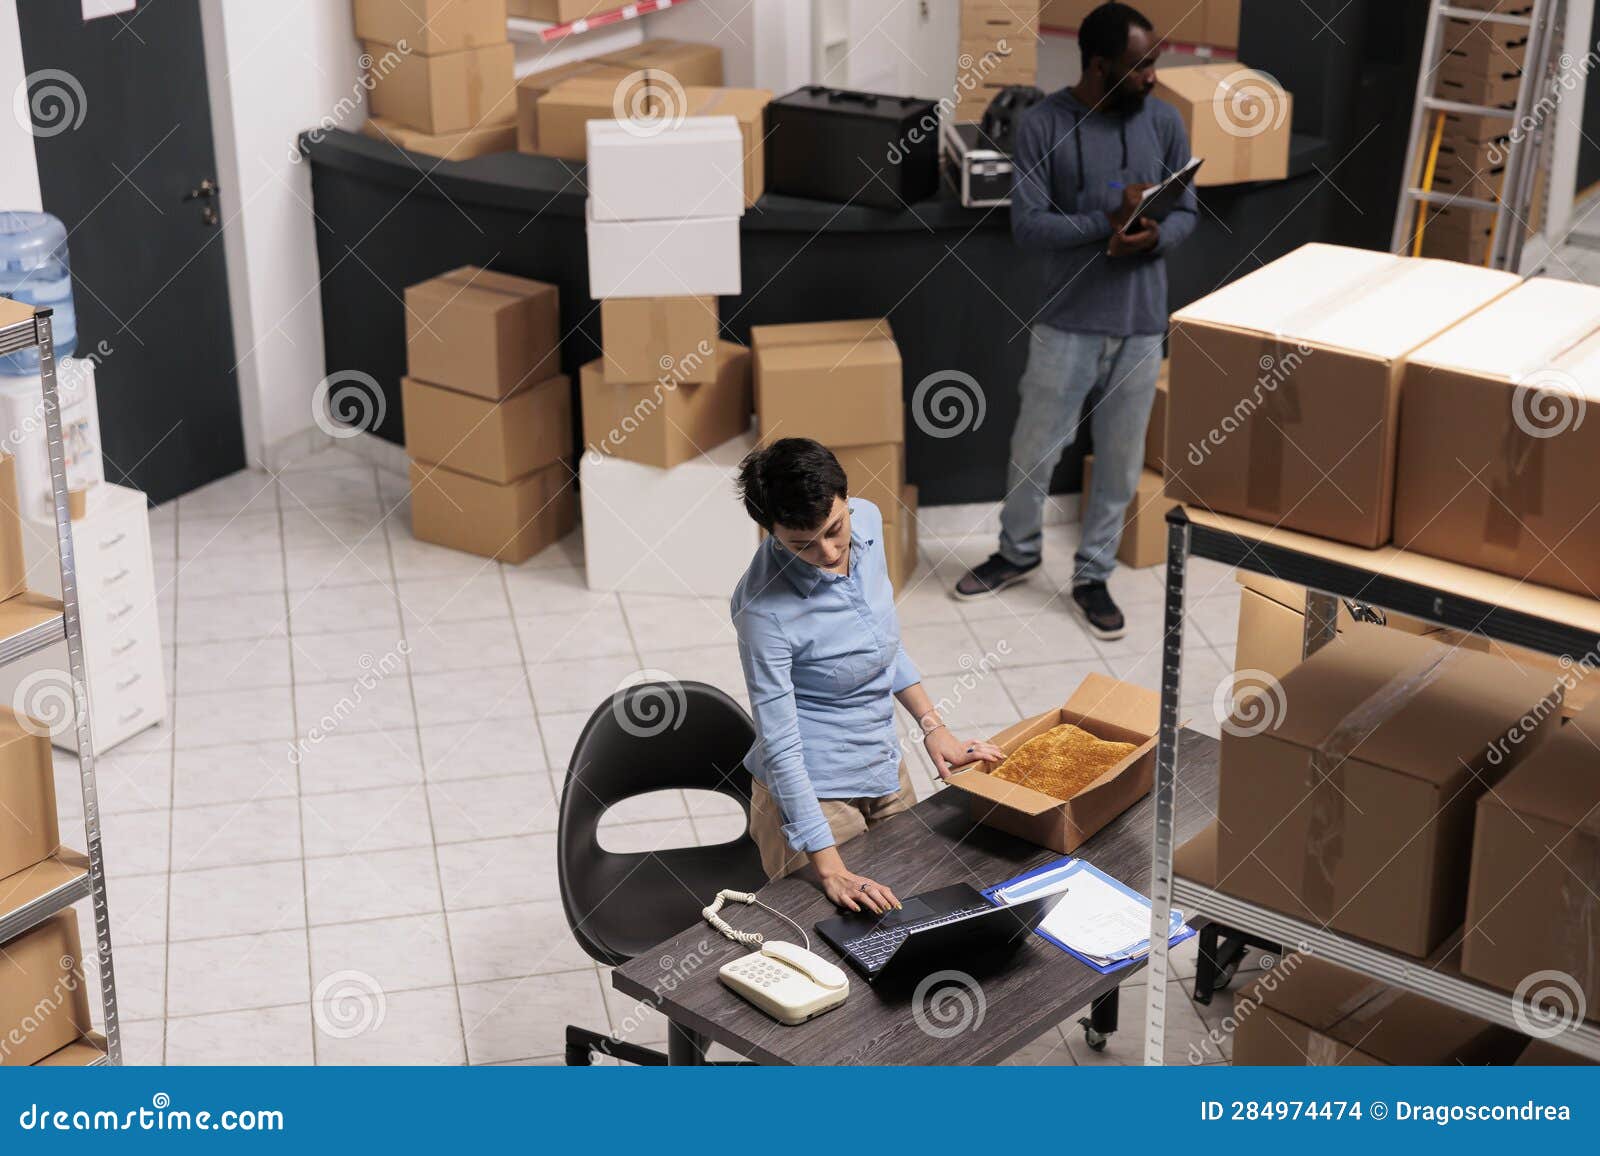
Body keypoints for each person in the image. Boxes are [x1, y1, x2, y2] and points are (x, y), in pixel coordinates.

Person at [954, 2, 1196, 641]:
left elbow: (1189, 210)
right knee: (1035, 449)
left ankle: (1093, 574)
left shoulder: (1166, 120)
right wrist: (1108, 223)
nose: (1151, 76)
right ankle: (1018, 551)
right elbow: (1028, 227)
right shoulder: (1041, 124)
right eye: (1139, 66)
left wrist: (1155, 237)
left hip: (1143, 323)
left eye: (1154, 63)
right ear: (1099, 65)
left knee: (1119, 461)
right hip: (1066, 321)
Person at [731, 438, 1004, 914]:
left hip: (881, 761)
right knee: (846, 937)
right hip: (811, 793)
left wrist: (934, 727)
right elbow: (780, 742)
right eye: (802, 544)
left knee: (925, 904)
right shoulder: (762, 611)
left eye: (835, 528)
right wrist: (830, 868)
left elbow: (880, 641)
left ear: (846, 499)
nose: (829, 550)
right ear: (770, 534)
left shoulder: (870, 521)